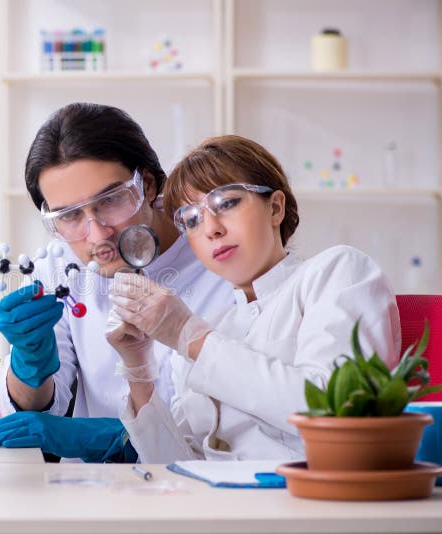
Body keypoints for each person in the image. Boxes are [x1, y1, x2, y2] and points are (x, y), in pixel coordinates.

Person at [106, 135, 401, 462]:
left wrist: (190, 337)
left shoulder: (337, 272)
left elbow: (336, 414)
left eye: (227, 203)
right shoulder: (212, 328)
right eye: (192, 219)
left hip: (308, 504)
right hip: (217, 508)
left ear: (275, 207)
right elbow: (177, 467)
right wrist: (138, 368)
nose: (211, 229)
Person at [0, 103, 233, 462]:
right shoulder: (59, 270)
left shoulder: (220, 259)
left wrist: (125, 439)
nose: (97, 235)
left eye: (111, 200)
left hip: (200, 489)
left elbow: (236, 425)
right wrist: (29, 364)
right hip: (91, 492)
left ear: (149, 185)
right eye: (70, 215)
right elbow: (34, 412)